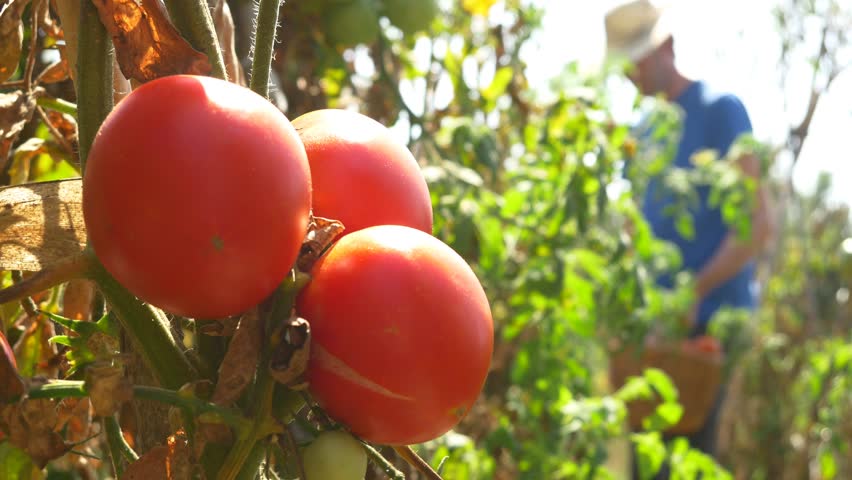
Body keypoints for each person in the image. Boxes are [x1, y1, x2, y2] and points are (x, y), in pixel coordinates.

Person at [603, 0, 775, 478]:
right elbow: (636, 229)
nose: (632, 76)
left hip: (707, 331)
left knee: (688, 462)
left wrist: (692, 294)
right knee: (646, 461)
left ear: (668, 48)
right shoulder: (643, 132)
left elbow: (756, 227)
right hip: (657, 333)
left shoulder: (720, 110)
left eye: (638, 61)